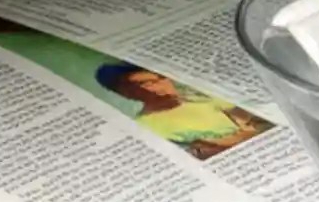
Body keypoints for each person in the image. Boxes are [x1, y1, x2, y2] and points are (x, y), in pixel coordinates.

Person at [95, 62, 263, 159]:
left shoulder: (201, 96)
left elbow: (251, 117)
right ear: (129, 94)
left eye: (159, 79)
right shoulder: (148, 126)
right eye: (144, 85)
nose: (158, 86)